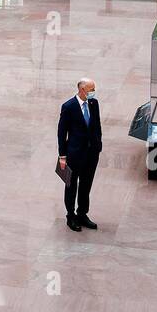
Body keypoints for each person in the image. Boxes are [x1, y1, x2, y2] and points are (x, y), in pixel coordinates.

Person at [58, 78, 103, 232]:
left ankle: (82, 213)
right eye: (91, 89)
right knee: (71, 185)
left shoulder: (94, 103)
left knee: (86, 185)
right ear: (82, 90)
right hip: (74, 154)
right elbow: (61, 133)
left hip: (91, 154)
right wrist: (62, 155)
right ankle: (70, 216)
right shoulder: (68, 107)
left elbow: (97, 125)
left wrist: (98, 145)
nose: (93, 92)